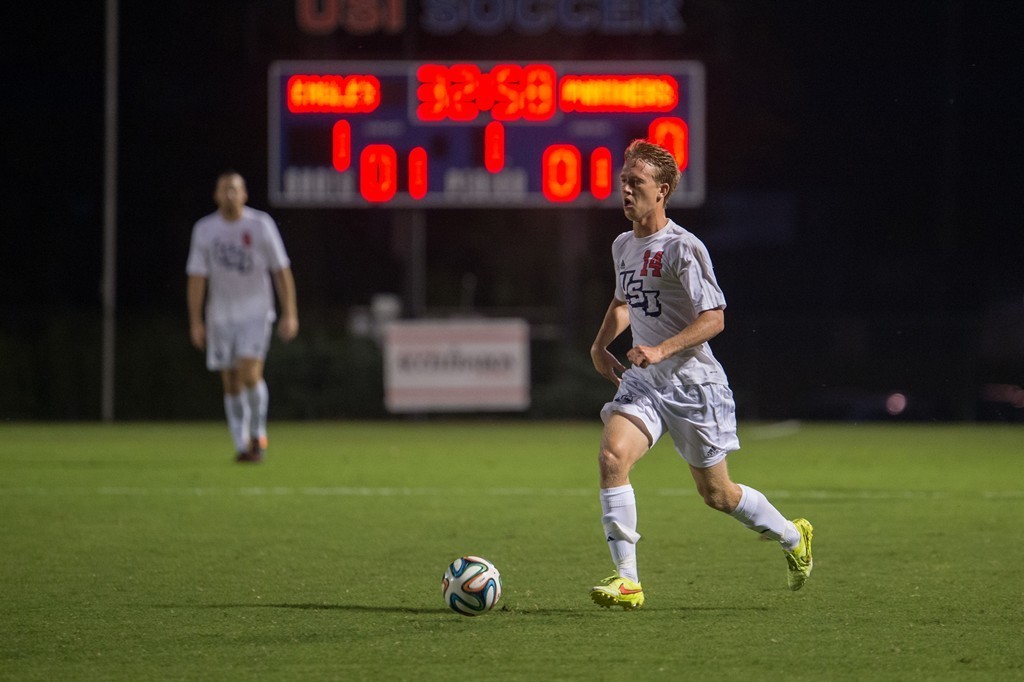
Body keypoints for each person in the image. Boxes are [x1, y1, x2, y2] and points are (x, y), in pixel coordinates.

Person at [588, 140, 812, 609]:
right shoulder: (622, 245)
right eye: (623, 181)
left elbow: (715, 318)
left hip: (693, 385)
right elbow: (624, 300)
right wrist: (599, 344)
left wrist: (662, 347)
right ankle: (627, 581)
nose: (625, 190)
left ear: (662, 190)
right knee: (612, 457)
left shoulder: (684, 247)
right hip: (645, 383)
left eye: (637, 183)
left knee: (718, 495)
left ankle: (793, 536)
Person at [186, 171, 298, 463]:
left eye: (235, 190)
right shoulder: (205, 230)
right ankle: (240, 444)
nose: (230, 195)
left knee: (250, 374)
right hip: (221, 315)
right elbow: (197, 277)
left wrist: (290, 313)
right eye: (225, 190)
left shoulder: (260, 225)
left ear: (244, 194)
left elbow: (281, 270)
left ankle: (257, 435)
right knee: (231, 381)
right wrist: (196, 320)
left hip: (255, 311)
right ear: (216, 195)